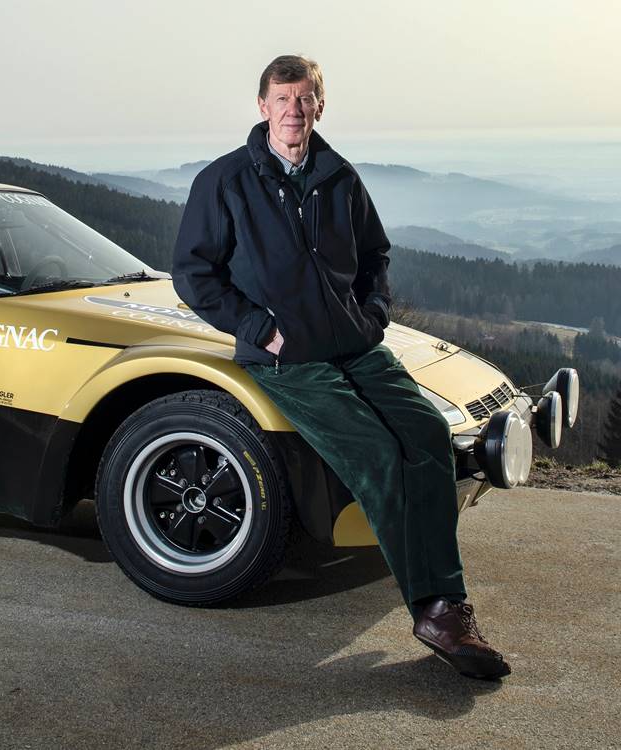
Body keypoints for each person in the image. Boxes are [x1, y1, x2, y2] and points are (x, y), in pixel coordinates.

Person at [171, 54, 510, 680]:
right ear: (262, 106)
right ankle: (438, 609)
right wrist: (256, 328)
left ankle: (437, 590)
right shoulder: (224, 182)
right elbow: (193, 273)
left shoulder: (340, 177)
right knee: (376, 453)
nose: (292, 110)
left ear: (319, 105)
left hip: (356, 346)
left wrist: (373, 314)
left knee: (429, 435)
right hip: (287, 358)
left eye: (304, 99)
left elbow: (375, 254)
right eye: (281, 99)